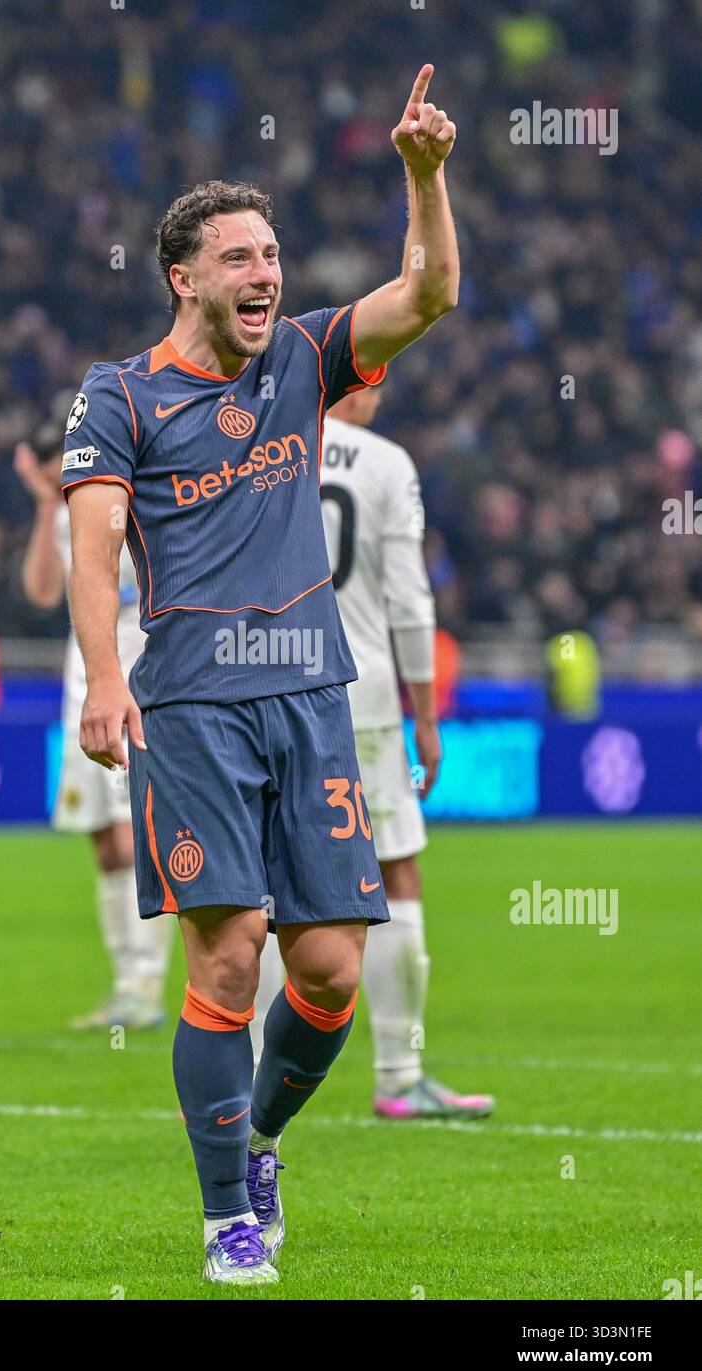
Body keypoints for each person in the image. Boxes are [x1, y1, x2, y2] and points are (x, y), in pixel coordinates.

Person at [63, 66, 458, 1284]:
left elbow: (430, 292)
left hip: (310, 701)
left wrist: (423, 176)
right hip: (188, 708)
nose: (265, 277)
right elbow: (90, 545)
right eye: (239, 259)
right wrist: (100, 680)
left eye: (272, 256)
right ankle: (224, 1219)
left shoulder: (299, 358)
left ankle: (261, 1139)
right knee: (229, 956)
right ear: (183, 276)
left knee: (331, 971)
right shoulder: (118, 395)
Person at [252, 385, 495, 1120]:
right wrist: (427, 716)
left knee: (262, 891)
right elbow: (410, 598)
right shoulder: (388, 464)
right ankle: (398, 1075)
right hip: (364, 699)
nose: (385, 388)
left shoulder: (261, 448)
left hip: (267, 688)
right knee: (396, 871)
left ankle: (251, 1076)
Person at [15, 428, 174, 1030]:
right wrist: (43, 506)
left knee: (136, 830)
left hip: (141, 680)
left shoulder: (141, 496)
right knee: (102, 839)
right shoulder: (69, 511)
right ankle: (126, 981)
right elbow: (40, 591)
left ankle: (146, 984)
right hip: (83, 686)